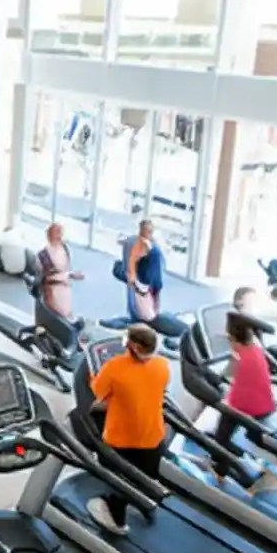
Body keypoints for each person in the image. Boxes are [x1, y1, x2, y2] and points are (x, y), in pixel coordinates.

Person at [87, 324, 169, 534]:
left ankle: (117, 522)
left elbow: (97, 392)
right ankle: (146, 505)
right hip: (153, 437)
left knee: (119, 482)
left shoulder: (114, 367)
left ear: (132, 345)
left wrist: (93, 377)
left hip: (121, 440)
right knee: (146, 477)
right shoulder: (162, 365)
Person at [211, 313, 276, 480]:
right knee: (255, 437)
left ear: (232, 338)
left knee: (221, 438)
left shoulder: (238, 358)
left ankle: (220, 472)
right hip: (265, 405)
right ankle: (252, 458)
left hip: (245, 407)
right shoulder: (256, 349)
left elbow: (225, 380)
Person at [37, 223, 83, 319]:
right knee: (57, 317)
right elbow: (45, 278)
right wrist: (68, 275)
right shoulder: (43, 255)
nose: (60, 238)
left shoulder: (66, 249)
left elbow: (65, 270)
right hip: (53, 292)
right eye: (57, 235)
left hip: (65, 290)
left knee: (66, 315)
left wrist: (70, 275)